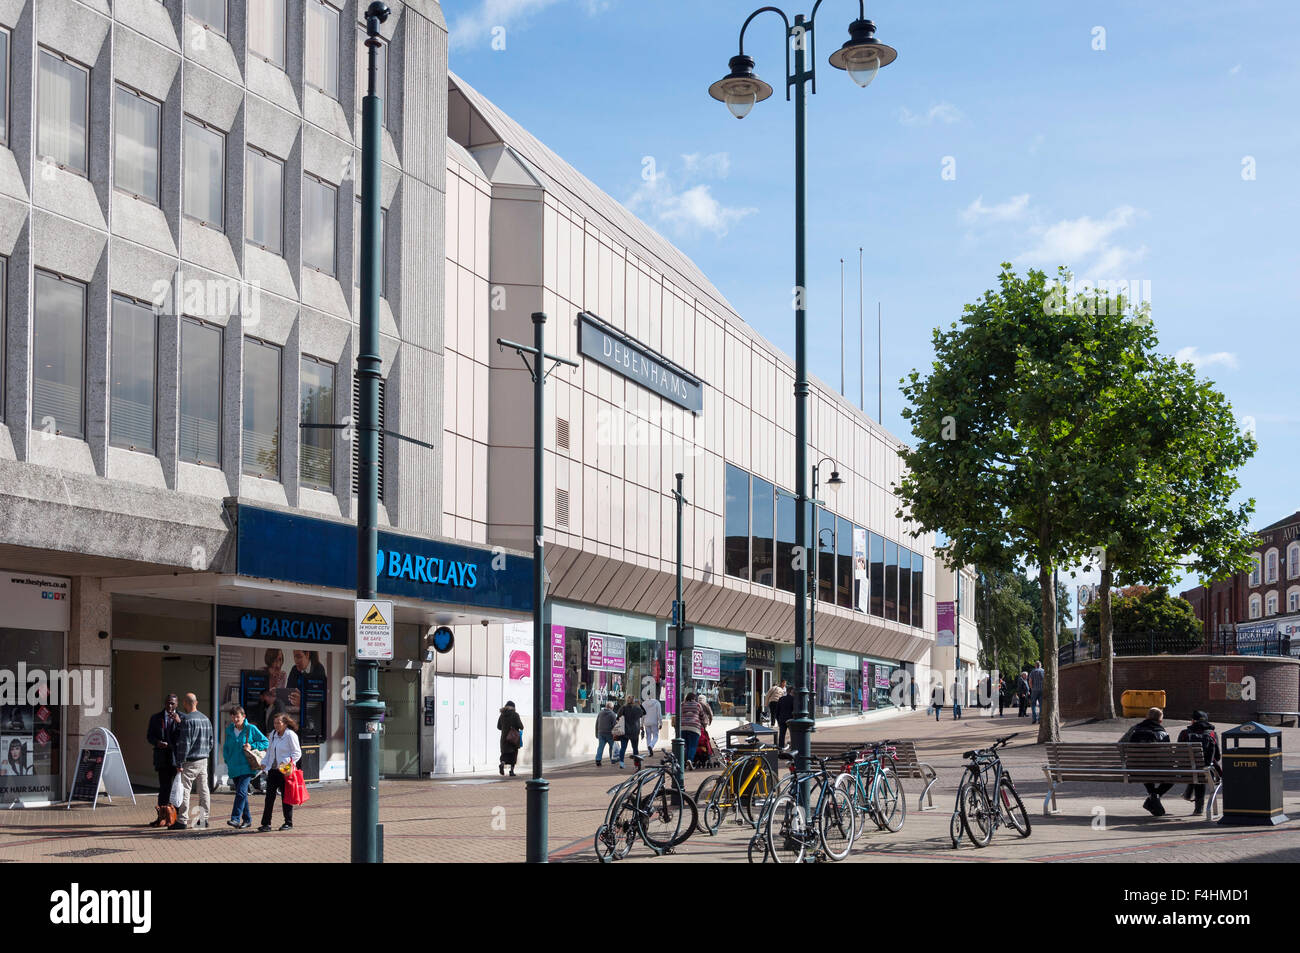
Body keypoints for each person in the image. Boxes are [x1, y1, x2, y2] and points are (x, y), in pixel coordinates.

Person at [171, 693, 214, 830]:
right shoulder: (206, 719)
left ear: (185, 703)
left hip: (190, 761)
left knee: (185, 790)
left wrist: (179, 762)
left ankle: (182, 820)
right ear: (196, 703)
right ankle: (203, 819)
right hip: (203, 759)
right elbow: (211, 742)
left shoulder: (187, 720)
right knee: (204, 790)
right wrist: (205, 753)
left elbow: (185, 744)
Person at [221, 706, 268, 828]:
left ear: (243, 716)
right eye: (233, 717)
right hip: (234, 767)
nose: (235, 719)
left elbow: (265, 742)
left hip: (247, 766)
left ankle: (235, 818)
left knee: (241, 792)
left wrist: (252, 746)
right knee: (242, 794)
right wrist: (227, 759)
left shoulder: (250, 728)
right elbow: (226, 747)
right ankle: (247, 820)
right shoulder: (229, 730)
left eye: (237, 717)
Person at [1121, 707, 1172, 816]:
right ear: (1160, 720)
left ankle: (1152, 797)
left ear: (1146, 717)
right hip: (1156, 768)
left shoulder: (1134, 729)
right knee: (1173, 776)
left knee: (1144, 767)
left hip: (1135, 768)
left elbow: (1120, 744)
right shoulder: (1162, 732)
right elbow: (1167, 754)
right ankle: (1153, 797)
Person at [259, 713, 302, 831]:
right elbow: (269, 751)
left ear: (285, 723)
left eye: (279, 723)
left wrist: (286, 763)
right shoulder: (273, 734)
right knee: (269, 797)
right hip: (273, 770)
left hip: (285, 770)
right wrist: (264, 762)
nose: (276, 725)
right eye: (275, 723)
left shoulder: (290, 735)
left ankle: (288, 822)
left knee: (286, 797)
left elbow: (297, 753)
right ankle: (266, 824)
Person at [145, 693, 181, 826]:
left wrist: (179, 722)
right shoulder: (156, 718)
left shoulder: (182, 717)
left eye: (172, 703)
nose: (170, 706)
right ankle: (161, 817)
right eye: (168, 703)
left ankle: (175, 817)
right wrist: (157, 742)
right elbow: (149, 736)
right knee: (164, 788)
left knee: (176, 789)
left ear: (177, 704)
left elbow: (186, 736)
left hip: (176, 759)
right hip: (162, 758)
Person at [1176, 710, 1221, 816]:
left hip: (1185, 771)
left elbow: (1178, 753)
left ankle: (1189, 795)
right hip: (1206, 772)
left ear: (1193, 721)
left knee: (1195, 770)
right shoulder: (1212, 734)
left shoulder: (1184, 733)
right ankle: (1198, 808)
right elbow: (1217, 757)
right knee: (1202, 771)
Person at [497, 701, 524, 777]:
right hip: (513, 738)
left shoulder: (502, 715)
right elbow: (521, 726)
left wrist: (505, 728)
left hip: (504, 738)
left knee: (504, 754)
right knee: (513, 754)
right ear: (513, 707)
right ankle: (511, 771)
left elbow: (498, 727)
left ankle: (502, 763)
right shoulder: (515, 715)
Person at [617, 696, 645, 768]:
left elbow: (617, 717)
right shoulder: (637, 708)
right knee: (635, 748)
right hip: (635, 731)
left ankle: (621, 763)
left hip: (625, 731)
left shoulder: (623, 708)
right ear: (634, 701)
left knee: (623, 748)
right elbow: (644, 713)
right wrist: (640, 705)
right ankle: (636, 764)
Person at [679, 692, 704, 762]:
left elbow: (679, 714)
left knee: (686, 746)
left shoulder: (682, 705)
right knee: (692, 746)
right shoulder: (698, 705)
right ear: (694, 698)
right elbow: (702, 715)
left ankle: (684, 760)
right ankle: (690, 760)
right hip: (694, 727)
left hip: (683, 727)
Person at [594, 701, 617, 767]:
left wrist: (596, 733)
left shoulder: (600, 713)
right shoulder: (612, 714)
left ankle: (598, 760)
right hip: (609, 733)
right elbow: (614, 725)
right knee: (612, 747)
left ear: (606, 706)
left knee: (600, 747)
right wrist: (615, 734)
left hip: (601, 733)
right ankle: (612, 759)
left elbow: (597, 723)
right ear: (612, 707)